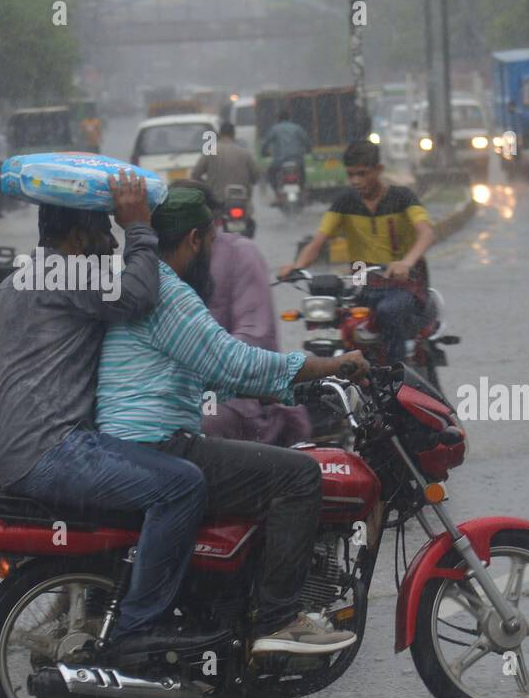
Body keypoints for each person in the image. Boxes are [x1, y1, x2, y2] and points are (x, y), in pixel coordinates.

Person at [96, 187, 370, 654]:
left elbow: (207, 373)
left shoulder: (138, 283)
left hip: (131, 441)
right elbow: (234, 361)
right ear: (197, 240)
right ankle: (279, 618)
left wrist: (288, 386)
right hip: (156, 443)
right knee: (299, 475)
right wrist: (331, 365)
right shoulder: (167, 292)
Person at [0, 172, 214, 656]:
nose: (111, 245)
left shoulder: (11, 283)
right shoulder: (69, 271)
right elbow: (138, 295)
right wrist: (140, 228)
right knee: (181, 485)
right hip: (49, 453)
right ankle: (137, 630)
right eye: (105, 233)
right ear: (79, 237)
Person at [172, 178, 311, 446]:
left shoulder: (240, 254)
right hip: (169, 394)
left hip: (230, 396)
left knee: (198, 426)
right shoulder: (155, 265)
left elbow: (257, 339)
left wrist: (202, 372)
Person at [278, 140, 436, 365]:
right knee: (334, 315)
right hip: (363, 283)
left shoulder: (403, 198)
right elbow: (317, 242)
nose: (356, 181)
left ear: (378, 170)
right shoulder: (345, 202)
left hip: (404, 285)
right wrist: (296, 267)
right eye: (351, 174)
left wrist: (406, 263)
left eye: (362, 174)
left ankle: (394, 378)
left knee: (388, 311)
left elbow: (427, 234)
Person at [190, 121, 261, 230]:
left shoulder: (210, 152)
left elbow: (195, 175)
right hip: (241, 201)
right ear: (233, 134)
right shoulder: (244, 153)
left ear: (219, 134)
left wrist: (206, 185)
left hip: (217, 202)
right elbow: (256, 177)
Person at [260, 107, 313, 203]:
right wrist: (308, 150)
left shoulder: (274, 129)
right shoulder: (297, 128)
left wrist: (264, 152)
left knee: (270, 174)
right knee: (302, 174)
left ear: (278, 119)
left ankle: (277, 194)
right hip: (297, 160)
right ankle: (302, 191)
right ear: (289, 118)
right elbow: (306, 141)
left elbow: (265, 143)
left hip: (279, 162)